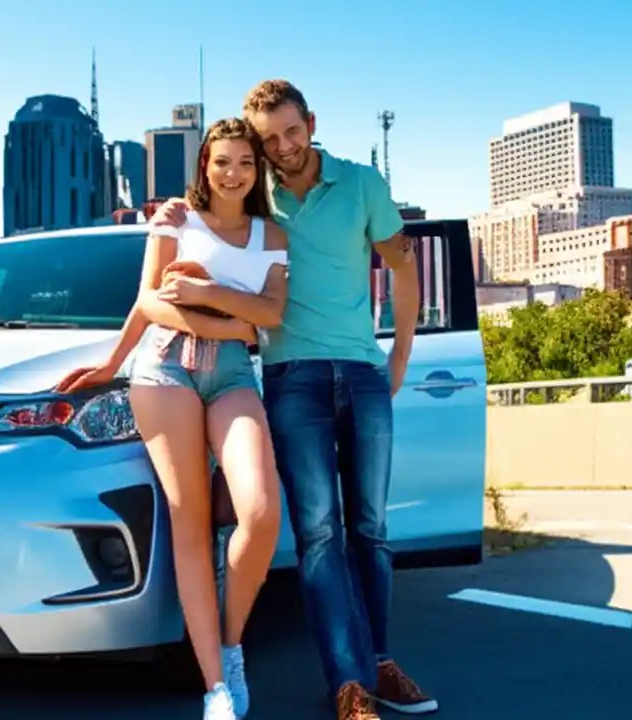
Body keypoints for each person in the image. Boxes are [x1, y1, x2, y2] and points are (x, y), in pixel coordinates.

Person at [149, 80, 434, 720]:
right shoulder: (256, 193)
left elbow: (403, 263)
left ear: (310, 121)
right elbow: (207, 220)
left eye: (289, 132)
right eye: (267, 139)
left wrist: (400, 356)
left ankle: (380, 662)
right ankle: (348, 685)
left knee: (372, 530)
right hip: (290, 377)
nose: (281, 147)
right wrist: (171, 216)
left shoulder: (361, 184)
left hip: (362, 371)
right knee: (319, 533)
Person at [56, 117, 288, 720]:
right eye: (221, 162)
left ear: (256, 169)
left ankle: (231, 643)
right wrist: (112, 362)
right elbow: (149, 301)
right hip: (163, 370)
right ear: (203, 166)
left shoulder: (272, 237)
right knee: (187, 522)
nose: (233, 173)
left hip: (233, 376)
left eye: (244, 162)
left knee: (260, 512)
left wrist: (208, 292)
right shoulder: (175, 219)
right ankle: (216, 685)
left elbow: (271, 316)